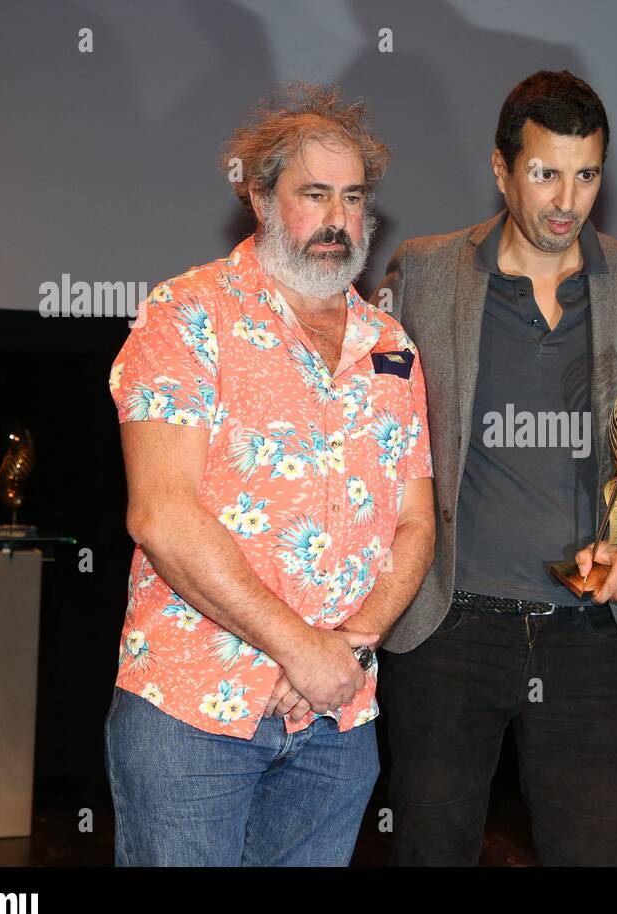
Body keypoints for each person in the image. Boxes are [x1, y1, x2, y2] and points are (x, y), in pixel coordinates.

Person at [104, 84, 434, 866]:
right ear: (257, 195)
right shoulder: (184, 315)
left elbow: (417, 523)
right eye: (313, 195)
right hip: (193, 715)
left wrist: (347, 650)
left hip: (337, 721)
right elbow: (161, 515)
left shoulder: (391, 342)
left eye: (353, 199)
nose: (337, 220)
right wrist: (301, 649)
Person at [374, 70, 617, 866]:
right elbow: (373, 438)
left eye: (586, 176)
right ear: (501, 169)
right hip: (448, 627)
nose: (566, 202)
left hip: (589, 637)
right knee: (429, 852)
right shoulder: (427, 272)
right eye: (545, 173)